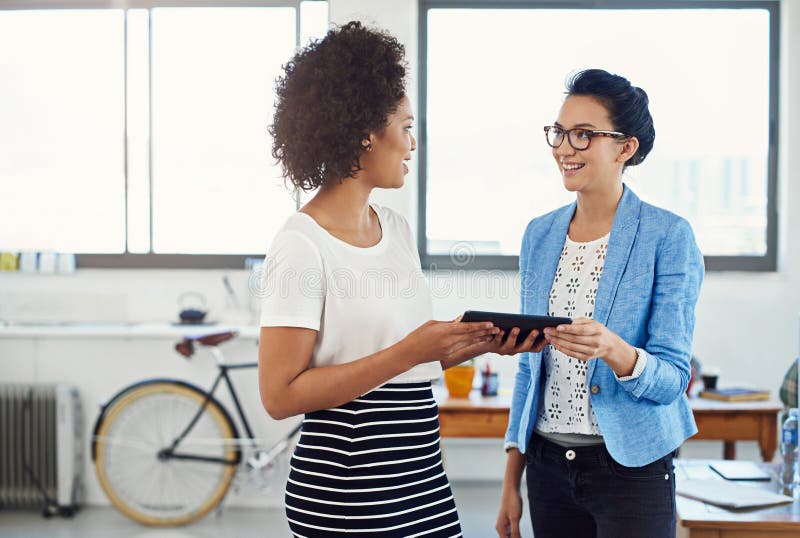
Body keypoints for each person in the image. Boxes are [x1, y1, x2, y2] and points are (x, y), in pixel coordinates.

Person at [258, 21, 515, 538]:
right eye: (405, 126)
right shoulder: (300, 245)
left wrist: (477, 342)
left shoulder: (395, 230)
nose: (412, 143)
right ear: (364, 132)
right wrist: (410, 351)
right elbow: (279, 396)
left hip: (421, 478)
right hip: (346, 492)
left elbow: (407, 358)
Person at [495, 69, 705, 538]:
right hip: (547, 468)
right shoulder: (540, 234)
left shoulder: (668, 236)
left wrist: (614, 349)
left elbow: (673, 377)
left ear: (625, 147)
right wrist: (512, 479)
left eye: (584, 135)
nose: (565, 148)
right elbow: (531, 372)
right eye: (559, 132)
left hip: (632, 471)